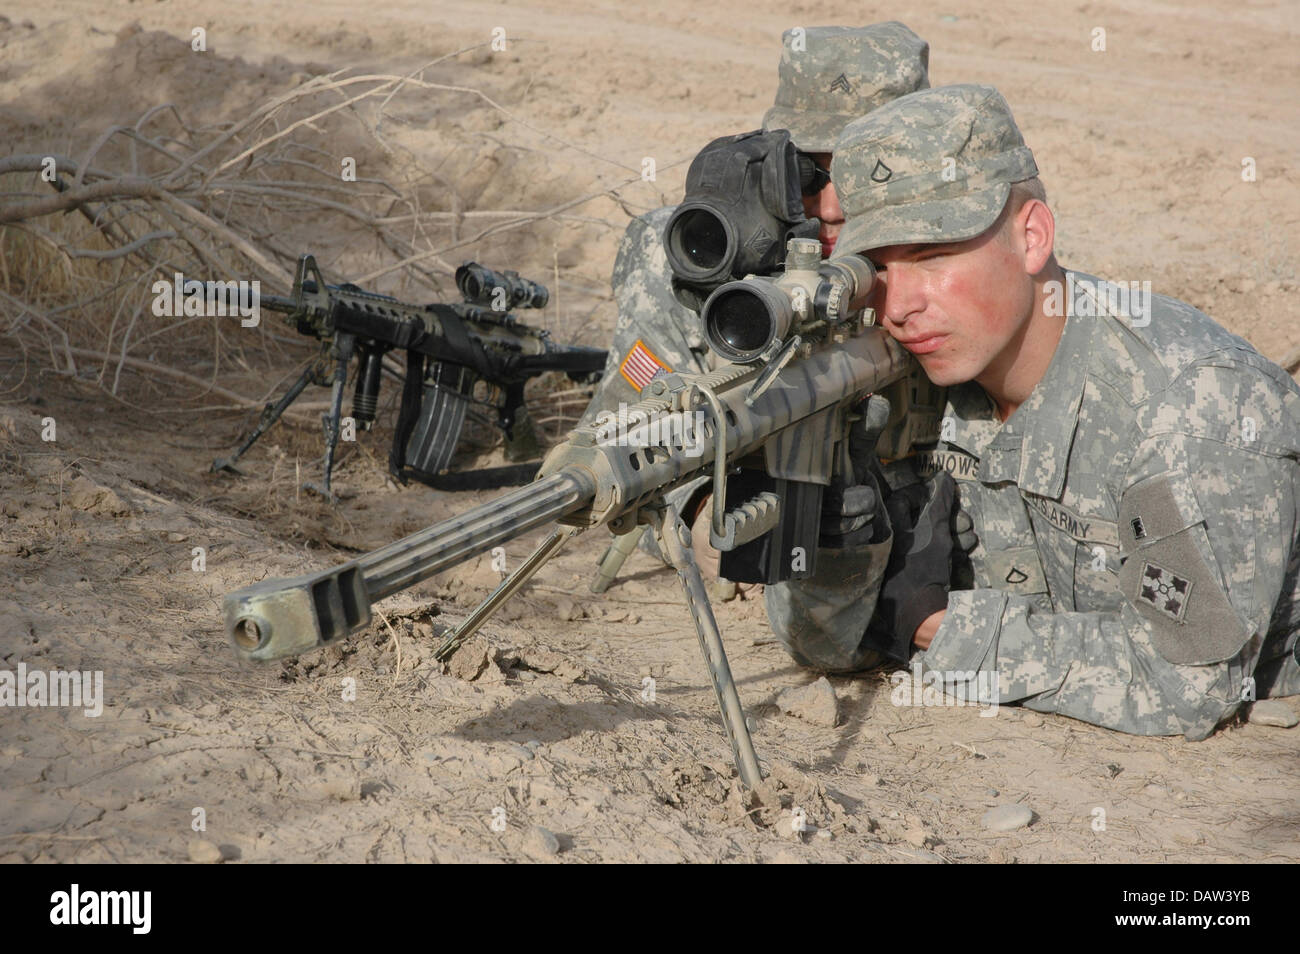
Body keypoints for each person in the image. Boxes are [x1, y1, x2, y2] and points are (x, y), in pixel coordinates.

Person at [766, 83, 1300, 740]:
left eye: (931, 256)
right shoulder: (904, 379)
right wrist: (838, 531)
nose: (899, 305)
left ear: (1032, 235)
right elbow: (826, 642)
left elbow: (1187, 682)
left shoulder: (1194, 400)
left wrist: (937, 628)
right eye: (877, 269)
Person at [577, 22, 931, 590]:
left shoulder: (954, 260)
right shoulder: (690, 255)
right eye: (809, 173)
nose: (834, 206)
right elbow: (623, 438)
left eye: (866, 174)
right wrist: (695, 515)